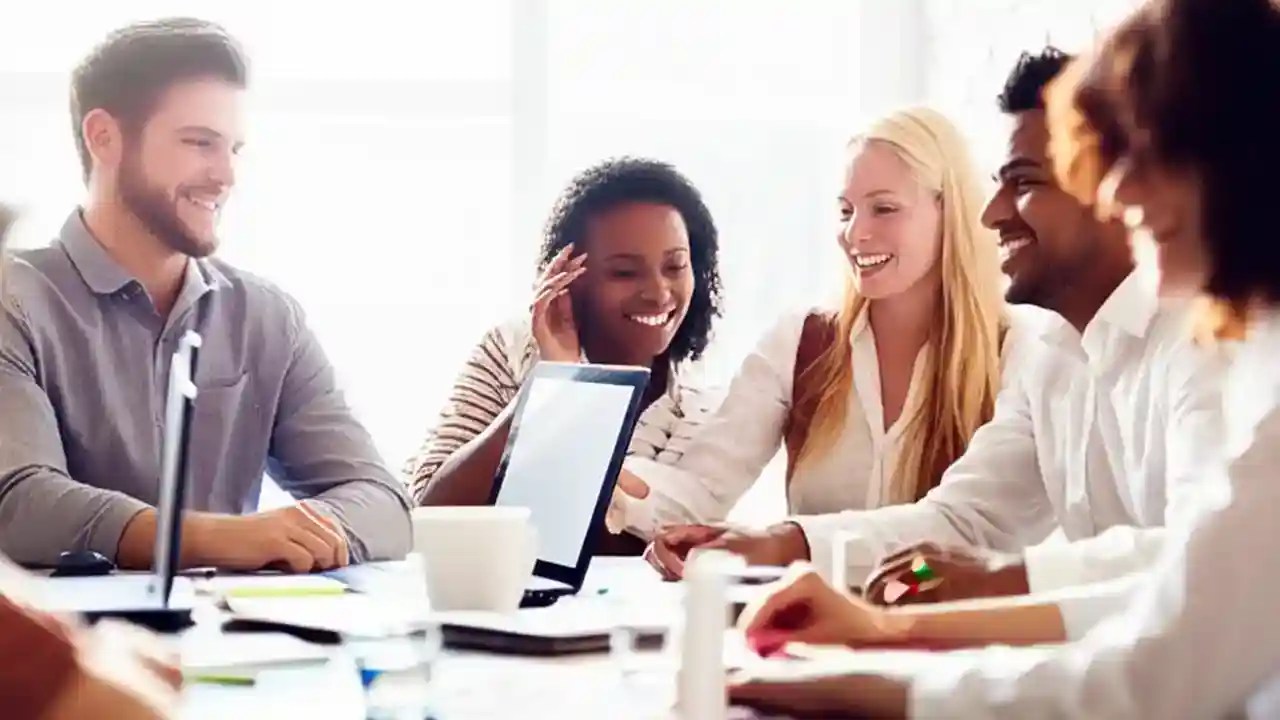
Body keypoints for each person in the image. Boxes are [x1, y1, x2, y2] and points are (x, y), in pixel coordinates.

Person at [731, 0, 1280, 716]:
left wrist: (882, 675)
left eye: (1140, 157)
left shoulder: (1216, 354)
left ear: (1240, 154)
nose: (1114, 188)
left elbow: (1156, 654)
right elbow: (977, 529)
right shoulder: (1051, 349)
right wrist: (880, 622)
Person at [651, 48, 1219, 616]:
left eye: (1022, 183)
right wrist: (796, 553)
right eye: (847, 209)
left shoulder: (1206, 345)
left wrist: (991, 584)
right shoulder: (1054, 361)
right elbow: (962, 528)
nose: (992, 213)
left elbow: (1198, 562)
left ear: (1117, 189)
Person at [0, 18, 411, 571]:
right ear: (104, 137)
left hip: (235, 644)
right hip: (69, 649)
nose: (226, 175)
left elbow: (382, 502)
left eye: (234, 148)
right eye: (199, 143)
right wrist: (220, 538)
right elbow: (19, 504)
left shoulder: (266, 318)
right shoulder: (14, 298)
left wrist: (294, 536)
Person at [632, 106, 1045, 578]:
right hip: (813, 632)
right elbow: (699, 491)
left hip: (961, 636)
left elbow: (972, 529)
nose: (855, 233)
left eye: (884, 209)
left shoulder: (1021, 351)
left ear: (950, 212)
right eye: (845, 211)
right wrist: (599, 477)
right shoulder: (800, 341)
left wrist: (786, 544)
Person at [406, 157, 723, 555]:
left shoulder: (700, 409)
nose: (659, 292)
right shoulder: (512, 349)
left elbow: (626, 550)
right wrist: (552, 383)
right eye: (625, 273)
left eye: (675, 266)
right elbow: (430, 514)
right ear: (569, 277)